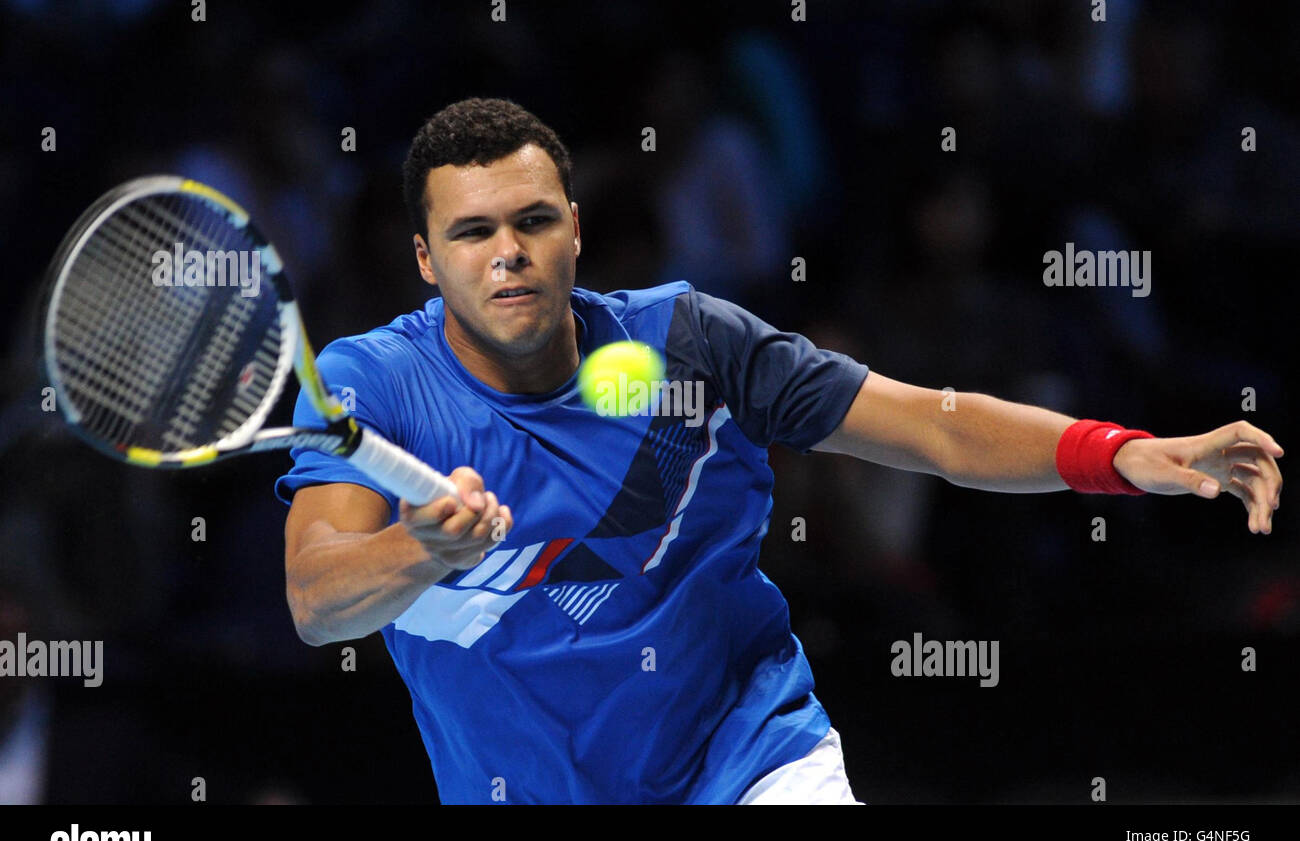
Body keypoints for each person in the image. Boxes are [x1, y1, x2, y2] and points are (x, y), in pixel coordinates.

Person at [275, 97, 1284, 805]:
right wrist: (423, 552)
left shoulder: (689, 341)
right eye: (472, 231)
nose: (509, 252)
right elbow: (318, 602)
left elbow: (928, 422)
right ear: (422, 256)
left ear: (575, 230)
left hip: (750, 761)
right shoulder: (371, 386)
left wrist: (1126, 454)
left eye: (535, 220)